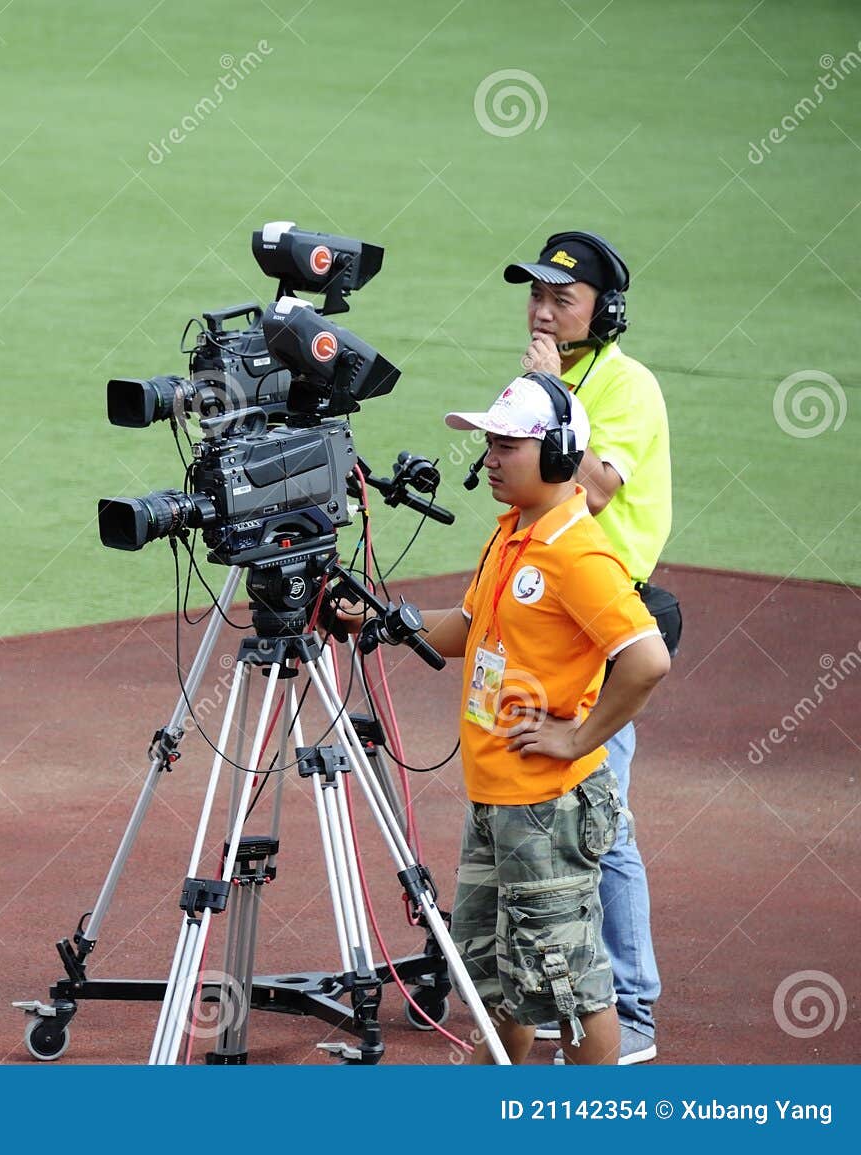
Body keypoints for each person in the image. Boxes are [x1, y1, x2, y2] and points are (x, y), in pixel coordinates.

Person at [349, 374, 670, 1063]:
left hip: (548, 803)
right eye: (488, 443)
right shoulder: (512, 534)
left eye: (506, 445)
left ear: (557, 455)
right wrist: (376, 618)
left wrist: (579, 736)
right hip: (495, 797)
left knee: (570, 989)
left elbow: (647, 658)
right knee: (491, 975)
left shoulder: (577, 552)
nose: (488, 458)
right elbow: (469, 627)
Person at [504, 231, 678, 1064]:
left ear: (603, 311)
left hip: (604, 621)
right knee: (528, 805)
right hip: (541, 619)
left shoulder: (624, 385)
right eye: (535, 294)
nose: (541, 309)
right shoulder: (554, 381)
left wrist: (540, 388)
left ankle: (632, 1009)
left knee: (600, 816)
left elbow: (593, 492)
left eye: (560, 298)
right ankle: (538, 990)